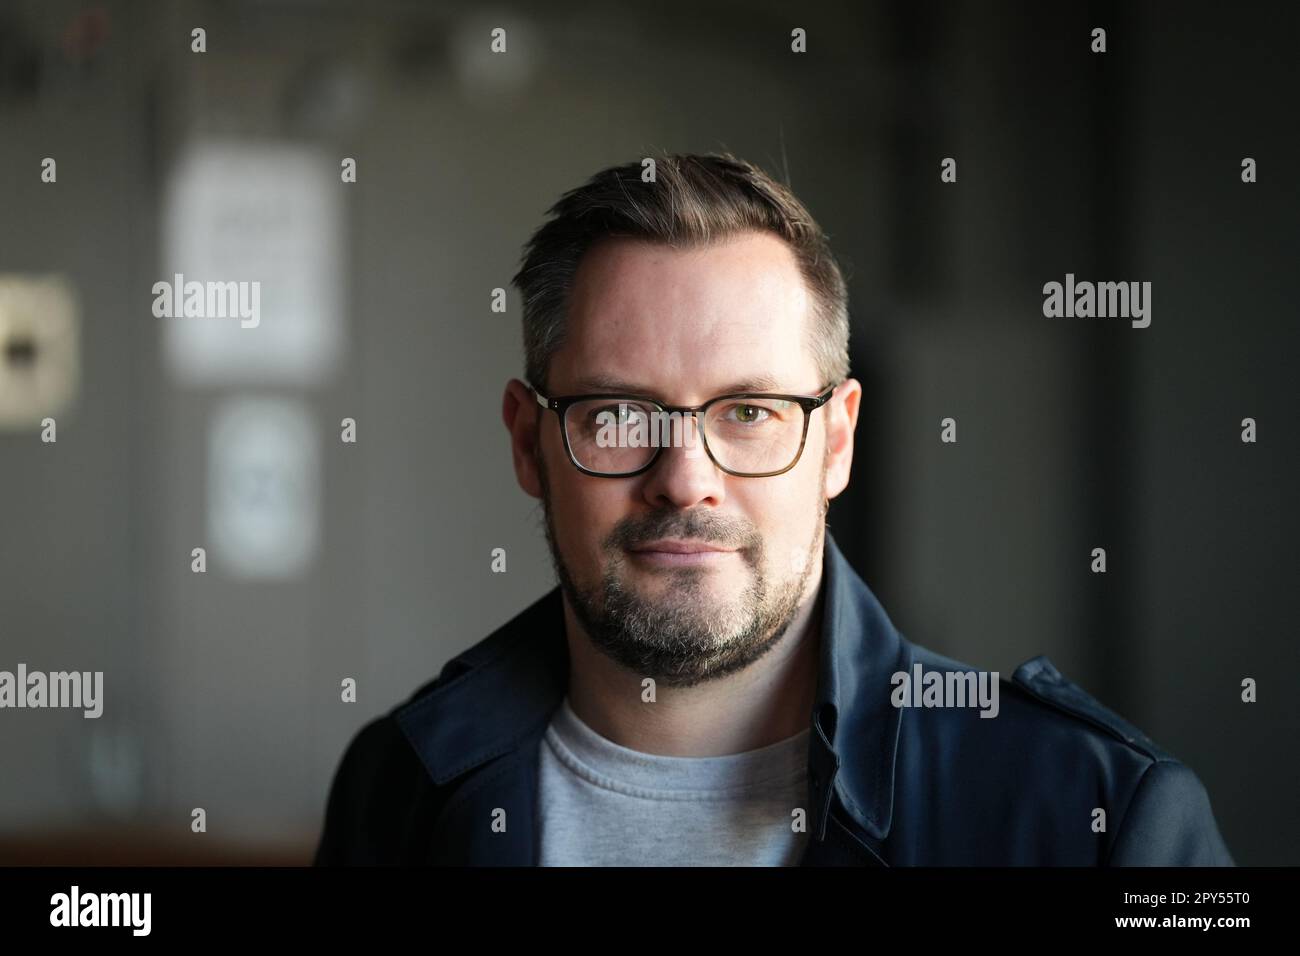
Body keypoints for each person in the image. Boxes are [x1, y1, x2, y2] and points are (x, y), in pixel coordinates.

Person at [315, 152, 1233, 866]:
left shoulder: (1094, 818)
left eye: (748, 412)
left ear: (836, 441)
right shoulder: (398, 790)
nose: (684, 478)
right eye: (620, 414)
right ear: (528, 443)